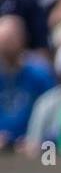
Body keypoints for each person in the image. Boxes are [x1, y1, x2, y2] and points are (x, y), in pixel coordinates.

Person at [0, 11, 54, 148]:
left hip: (32, 147)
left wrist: (38, 139)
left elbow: (52, 108)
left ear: (23, 39)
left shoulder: (40, 73)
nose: (8, 45)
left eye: (12, 39)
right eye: (5, 40)